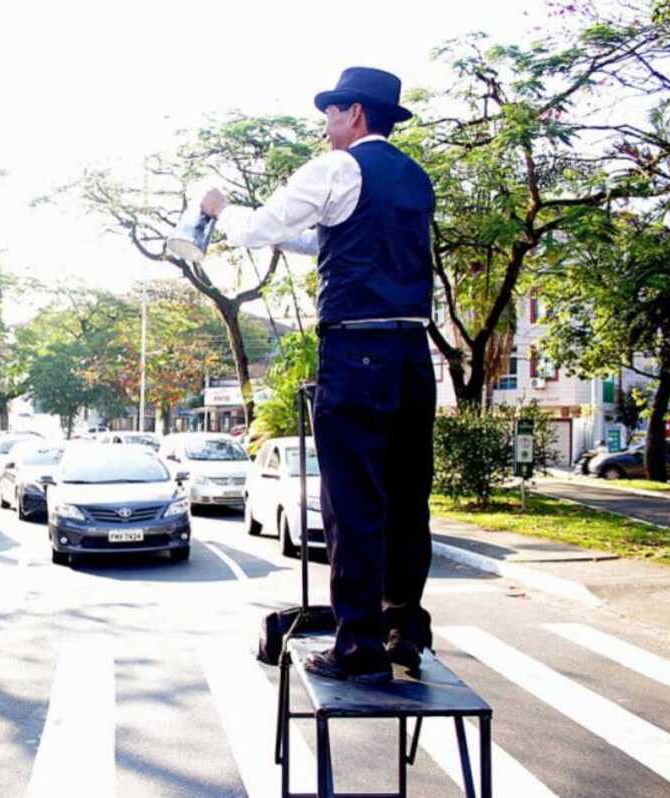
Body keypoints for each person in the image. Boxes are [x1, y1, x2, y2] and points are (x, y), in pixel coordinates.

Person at [202, 67, 436, 684]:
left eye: (332, 113)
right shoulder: (416, 179)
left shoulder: (336, 169)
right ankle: (403, 628)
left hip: (356, 355)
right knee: (408, 497)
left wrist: (220, 209)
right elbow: (331, 234)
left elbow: (259, 229)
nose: (326, 125)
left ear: (355, 115)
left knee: (354, 501)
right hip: (414, 355)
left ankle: (357, 645)